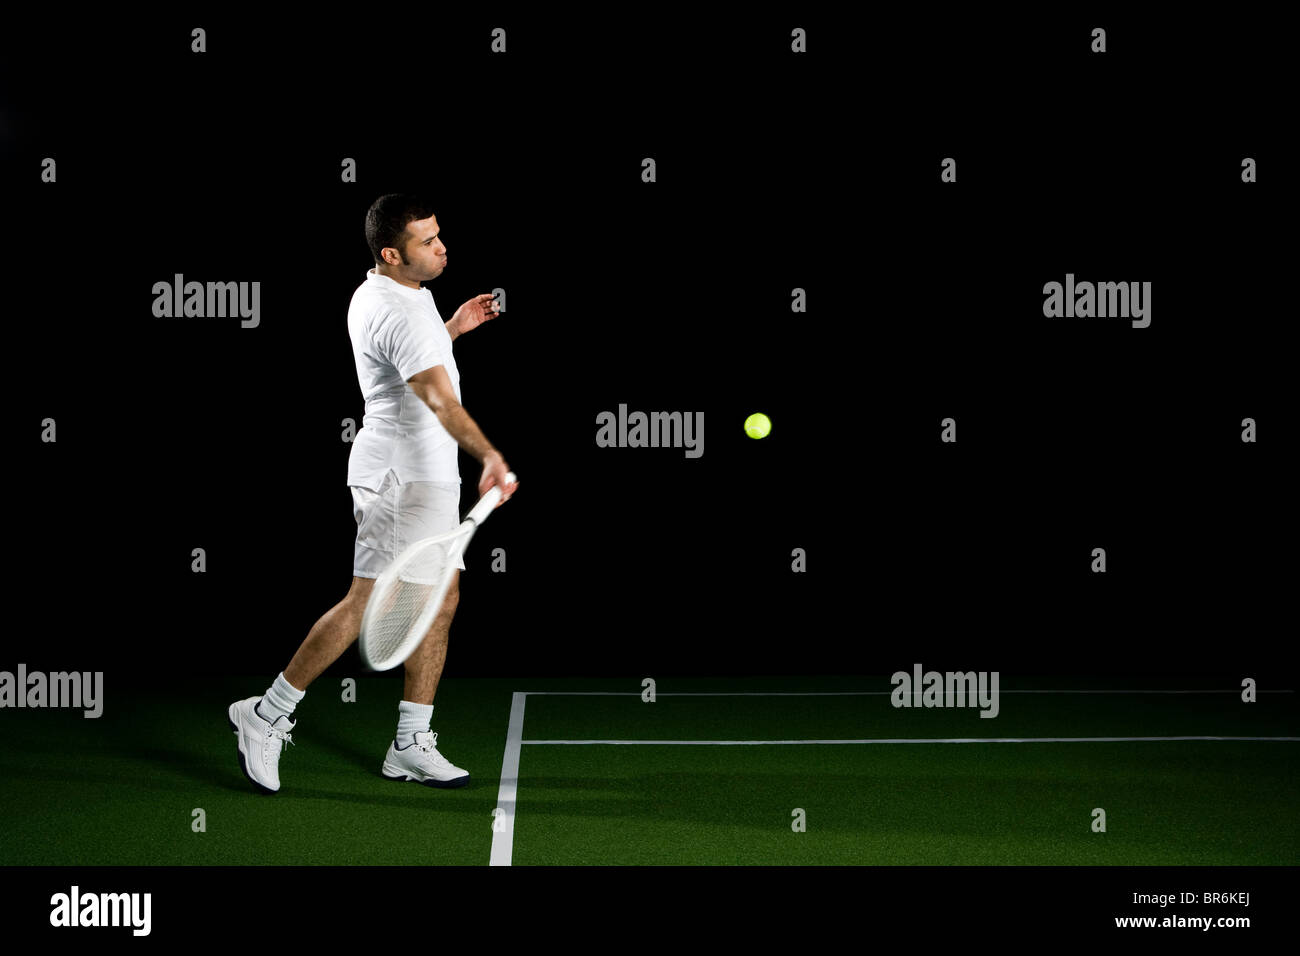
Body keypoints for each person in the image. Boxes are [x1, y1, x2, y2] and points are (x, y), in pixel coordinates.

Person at [227, 193, 518, 793]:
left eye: (440, 234)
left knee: (440, 599)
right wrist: (489, 454)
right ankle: (266, 713)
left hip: (428, 474)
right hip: (402, 476)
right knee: (367, 602)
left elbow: (411, 365)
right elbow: (437, 399)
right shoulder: (399, 311)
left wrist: (453, 328)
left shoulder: (395, 293)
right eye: (427, 241)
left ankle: (409, 741)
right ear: (392, 253)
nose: (442, 247)